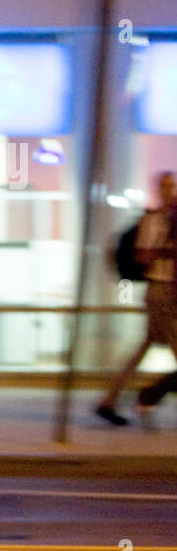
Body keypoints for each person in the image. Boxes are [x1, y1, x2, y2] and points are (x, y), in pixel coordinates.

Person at [96, 171, 177, 426]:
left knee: (142, 348)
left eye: (172, 186)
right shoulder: (153, 221)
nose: (169, 191)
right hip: (160, 291)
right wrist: (167, 251)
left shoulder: (171, 219)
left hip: (166, 292)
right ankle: (149, 395)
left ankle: (110, 400)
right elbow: (142, 256)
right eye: (165, 186)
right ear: (158, 189)